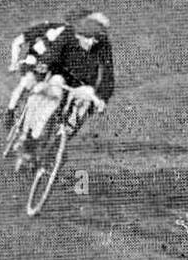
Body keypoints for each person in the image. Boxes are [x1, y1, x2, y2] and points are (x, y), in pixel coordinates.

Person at [11, 14, 115, 170]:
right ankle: (31, 140)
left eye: (95, 39)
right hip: (60, 75)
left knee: (84, 107)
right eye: (88, 39)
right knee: (54, 94)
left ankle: (58, 143)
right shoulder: (67, 34)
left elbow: (107, 74)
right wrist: (38, 75)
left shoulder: (102, 44)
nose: (92, 43)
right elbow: (49, 56)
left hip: (82, 82)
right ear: (79, 35)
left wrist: (102, 99)